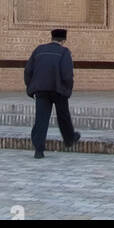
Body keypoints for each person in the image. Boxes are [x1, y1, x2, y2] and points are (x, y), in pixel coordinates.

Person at [24, 28, 81, 158]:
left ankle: (39, 150)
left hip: (40, 90)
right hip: (58, 89)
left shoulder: (39, 50)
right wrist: (67, 90)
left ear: (52, 38)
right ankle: (69, 139)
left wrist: (31, 87)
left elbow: (28, 71)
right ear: (63, 40)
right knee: (63, 116)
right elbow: (67, 74)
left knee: (41, 119)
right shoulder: (64, 52)